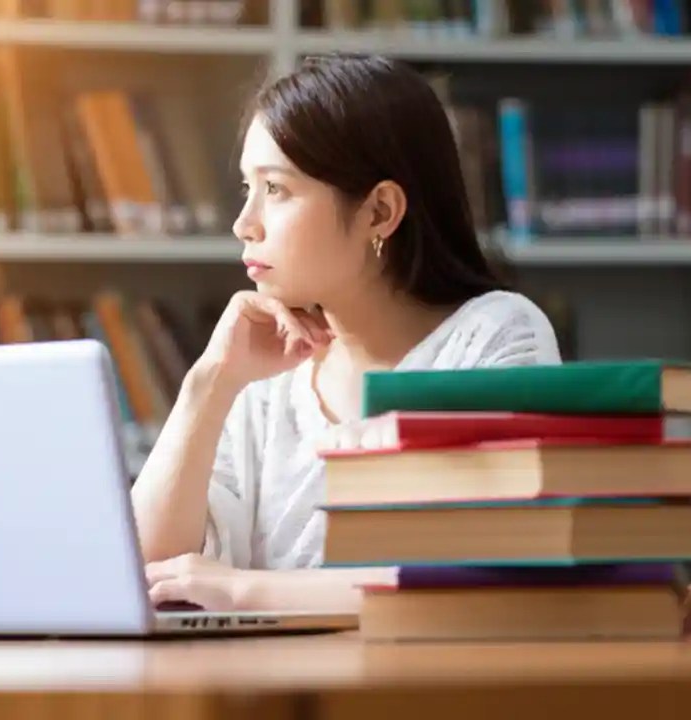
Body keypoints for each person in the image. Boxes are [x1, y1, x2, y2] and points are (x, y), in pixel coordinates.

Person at [130, 53, 562, 613]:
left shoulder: (494, 336)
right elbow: (148, 571)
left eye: (277, 190)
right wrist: (208, 384)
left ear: (380, 211)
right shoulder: (260, 377)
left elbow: (484, 572)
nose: (244, 223)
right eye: (246, 188)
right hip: (277, 699)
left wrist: (245, 590)